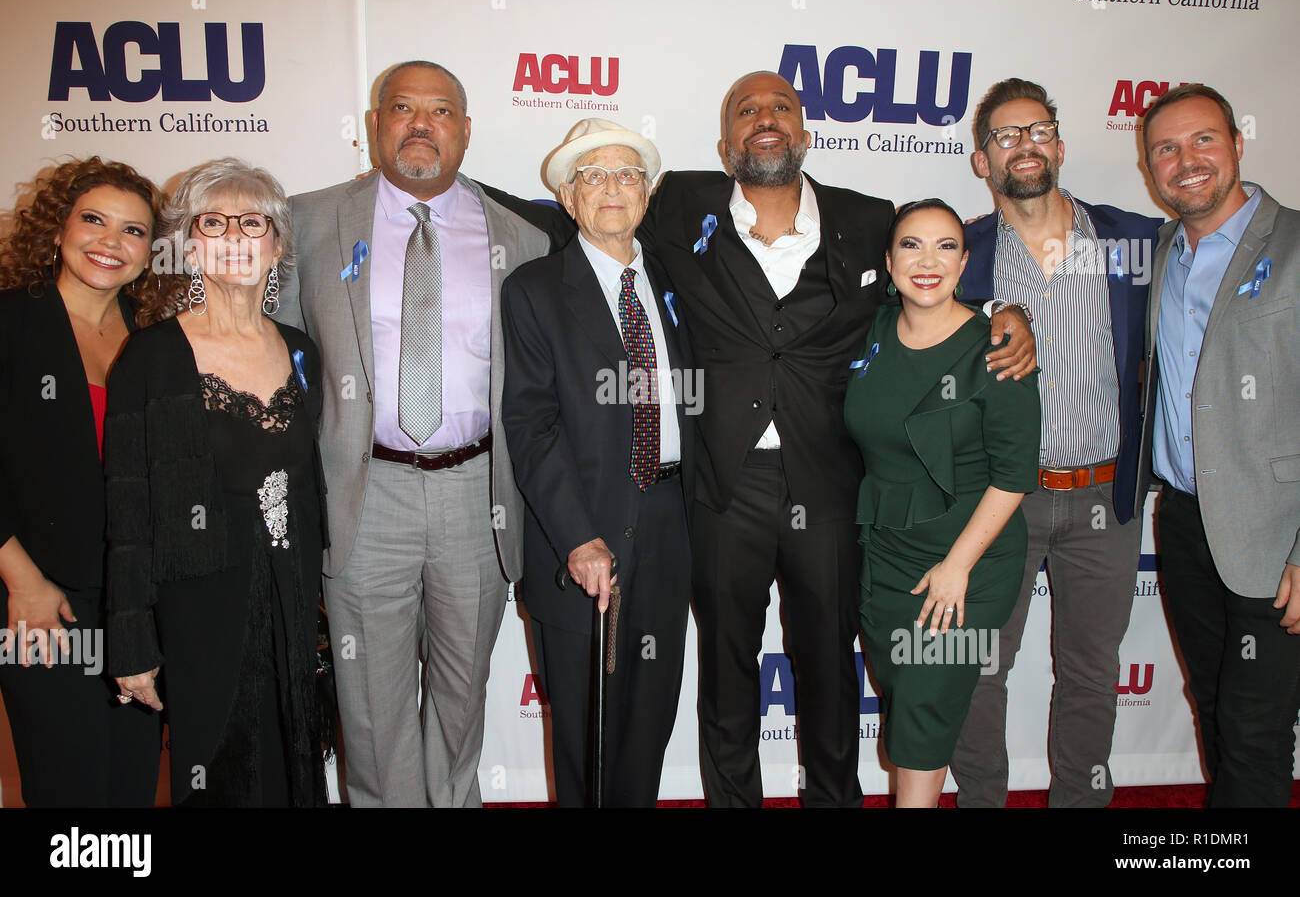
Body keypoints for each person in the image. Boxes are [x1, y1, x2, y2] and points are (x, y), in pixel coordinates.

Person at [637, 71, 1035, 807]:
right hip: (723, 488)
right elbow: (579, 220)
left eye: (781, 107)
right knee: (727, 675)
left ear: (806, 134)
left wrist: (1007, 309)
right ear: (725, 146)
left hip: (830, 488)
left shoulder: (869, 218)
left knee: (827, 668)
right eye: (747, 110)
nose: (766, 119)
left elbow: (928, 277)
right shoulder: (673, 207)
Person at [276, 60, 555, 807]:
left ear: (465, 131)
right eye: (403, 107)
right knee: (370, 706)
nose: (421, 124)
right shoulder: (306, 222)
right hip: (365, 493)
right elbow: (272, 358)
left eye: (440, 111)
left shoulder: (523, 239)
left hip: (480, 495)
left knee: (463, 696)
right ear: (376, 125)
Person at [950, 79, 1164, 808]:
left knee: (1089, 672)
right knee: (979, 669)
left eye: (1037, 129)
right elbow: (907, 330)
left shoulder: (1132, 240)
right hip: (999, 502)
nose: (1025, 145)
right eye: (1006, 136)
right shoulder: (962, 254)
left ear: (1061, 145)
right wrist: (990, 307)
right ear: (983, 161)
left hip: (1106, 494)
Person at [108, 158, 328, 807]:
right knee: (215, 771)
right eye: (212, 222)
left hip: (290, 601)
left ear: (278, 244)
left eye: (252, 222)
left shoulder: (300, 350)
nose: (234, 237)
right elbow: (127, 510)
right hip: (200, 604)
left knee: (294, 763)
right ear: (186, 243)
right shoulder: (151, 357)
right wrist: (131, 641)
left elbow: (308, 486)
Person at [502, 119, 695, 807]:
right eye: (593, 176)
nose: (612, 188)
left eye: (627, 174)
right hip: (580, 533)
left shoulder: (678, 281)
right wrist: (577, 536)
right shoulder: (534, 290)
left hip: (672, 524)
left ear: (647, 192)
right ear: (566, 197)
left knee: (648, 722)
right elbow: (530, 424)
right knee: (587, 732)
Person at [1135, 84, 1300, 807]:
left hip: (1276, 533)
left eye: (1202, 140)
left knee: (1256, 727)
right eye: (1165, 149)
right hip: (1184, 521)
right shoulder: (1163, 250)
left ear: (1237, 143)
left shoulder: (1294, 243)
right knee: (1215, 708)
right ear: (1149, 168)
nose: (1186, 161)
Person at [847, 199, 1041, 808]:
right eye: (911, 245)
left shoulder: (1000, 350)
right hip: (884, 555)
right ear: (888, 260)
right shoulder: (872, 330)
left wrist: (957, 566)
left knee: (925, 715)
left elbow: (1013, 476)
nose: (928, 261)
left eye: (946, 247)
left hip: (967, 565)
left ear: (965, 262)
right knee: (905, 702)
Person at [0, 157, 168, 807]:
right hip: (41, 602)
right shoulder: (12, 322)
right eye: (93, 220)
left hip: (135, 603)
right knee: (71, 788)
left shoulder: (154, 340)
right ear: (56, 228)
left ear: (149, 252)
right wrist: (21, 579)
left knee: (129, 785)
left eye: (132, 230)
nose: (109, 241)